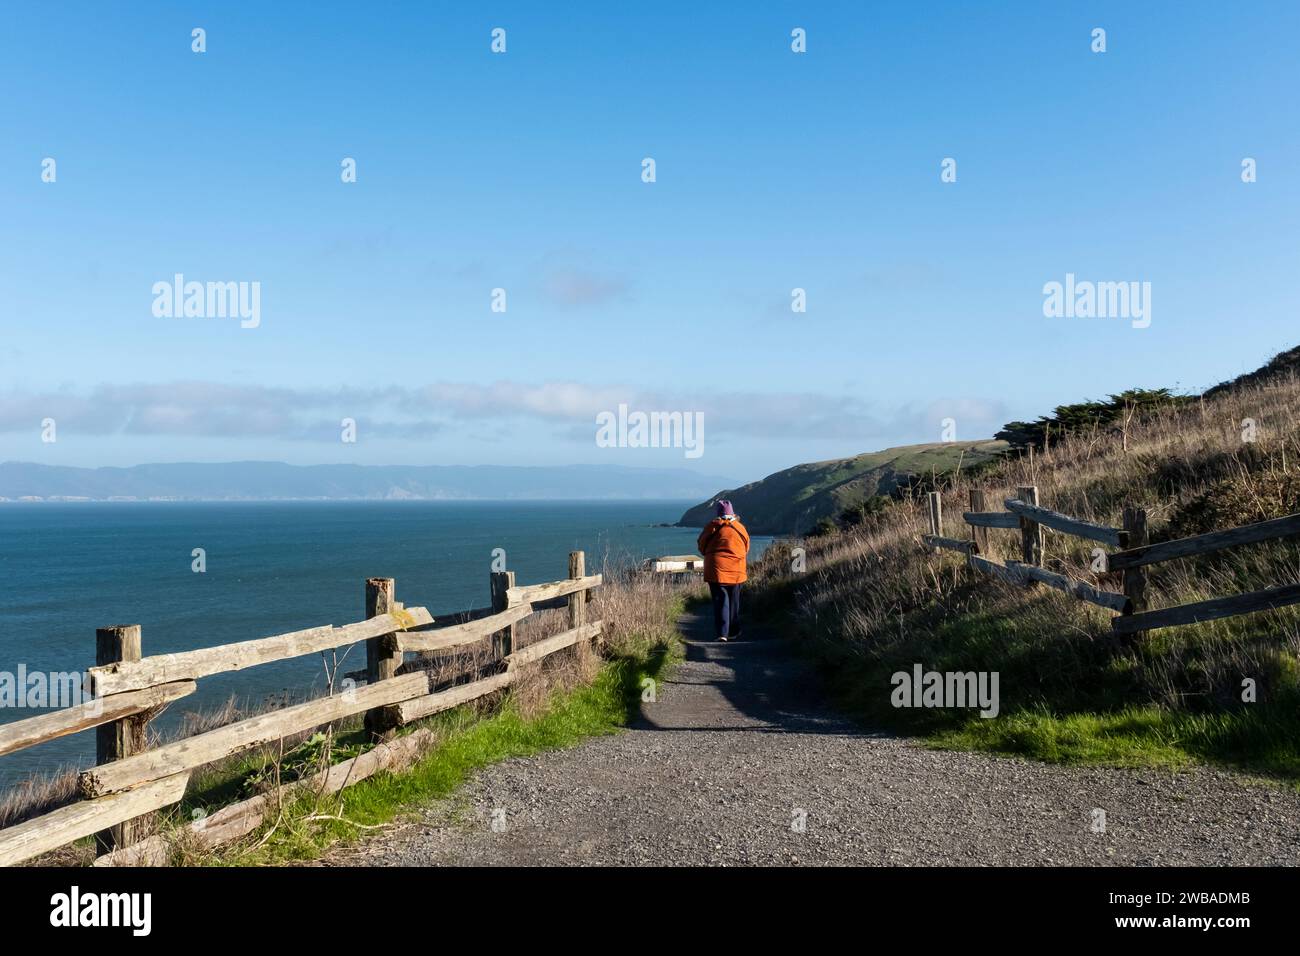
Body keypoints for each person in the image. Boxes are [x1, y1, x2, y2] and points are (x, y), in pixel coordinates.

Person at [697, 499, 750, 642]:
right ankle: (734, 631)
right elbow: (746, 548)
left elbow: (701, 546)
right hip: (737, 569)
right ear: (732, 513)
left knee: (721, 601)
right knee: (734, 601)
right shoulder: (740, 528)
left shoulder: (712, 527)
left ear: (718, 513)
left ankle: (722, 633)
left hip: (716, 569)